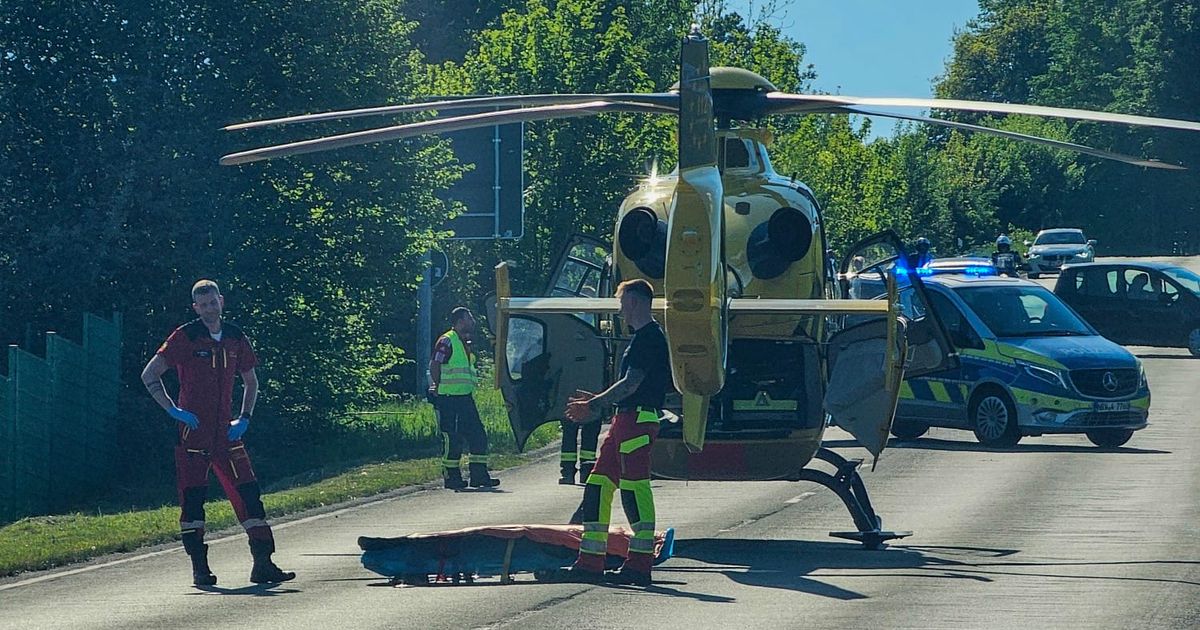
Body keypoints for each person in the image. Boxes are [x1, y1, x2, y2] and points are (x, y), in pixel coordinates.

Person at [141, 279, 294, 586]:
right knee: (193, 499)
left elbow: (251, 381)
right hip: (193, 435)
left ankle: (263, 563)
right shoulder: (186, 336)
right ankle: (200, 568)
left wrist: (245, 417)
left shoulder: (236, 336)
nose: (209, 309)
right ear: (196, 308)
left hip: (227, 434)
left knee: (249, 494)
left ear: (221, 301)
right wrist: (173, 410)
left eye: (213, 302)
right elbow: (150, 374)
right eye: (203, 305)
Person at [557, 279, 672, 587]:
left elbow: (631, 384)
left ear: (634, 302)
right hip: (625, 421)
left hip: (638, 420)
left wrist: (595, 403)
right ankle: (591, 560)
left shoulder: (649, 339)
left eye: (622, 303)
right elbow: (630, 387)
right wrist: (599, 400)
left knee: (635, 490)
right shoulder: (642, 339)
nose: (620, 309)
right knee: (597, 485)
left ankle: (639, 564)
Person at [429, 307, 500, 490]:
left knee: (478, 436)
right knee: (452, 438)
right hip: (449, 399)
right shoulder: (447, 340)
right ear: (460, 321)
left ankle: (479, 476)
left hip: (465, 398)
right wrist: (437, 385)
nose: (473, 321)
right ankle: (452, 478)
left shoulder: (463, 342)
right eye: (469, 318)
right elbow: (435, 363)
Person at [558, 418, 601, 485]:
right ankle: (585, 473)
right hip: (593, 410)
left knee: (569, 433)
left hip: (570, 409)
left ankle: (568, 473)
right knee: (590, 432)